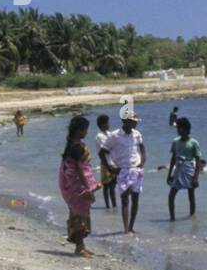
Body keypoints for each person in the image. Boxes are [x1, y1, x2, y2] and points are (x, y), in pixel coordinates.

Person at [59, 115, 100, 256]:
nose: (86, 133)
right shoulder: (76, 147)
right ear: (79, 130)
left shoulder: (71, 144)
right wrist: (88, 186)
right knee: (80, 216)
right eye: (85, 130)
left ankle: (81, 245)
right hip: (78, 186)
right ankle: (79, 247)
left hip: (73, 186)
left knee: (78, 214)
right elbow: (79, 169)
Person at [103, 107, 146, 234]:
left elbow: (142, 147)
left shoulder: (137, 134)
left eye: (136, 121)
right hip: (122, 171)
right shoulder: (114, 135)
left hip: (136, 169)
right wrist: (110, 167)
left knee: (136, 199)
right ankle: (126, 228)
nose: (135, 123)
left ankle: (131, 227)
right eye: (133, 121)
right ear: (125, 121)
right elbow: (103, 151)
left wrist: (143, 161)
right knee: (125, 199)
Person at [167, 117, 203, 220]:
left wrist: (196, 177)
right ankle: (172, 218)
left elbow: (198, 160)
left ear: (187, 129)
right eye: (178, 128)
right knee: (171, 195)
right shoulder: (175, 141)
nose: (179, 130)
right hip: (178, 170)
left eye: (181, 128)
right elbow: (173, 158)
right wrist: (169, 174)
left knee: (191, 195)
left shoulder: (194, 143)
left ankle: (192, 217)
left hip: (189, 170)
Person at [95, 114, 117, 210]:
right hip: (105, 162)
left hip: (113, 162)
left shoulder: (109, 133)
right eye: (107, 123)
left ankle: (114, 205)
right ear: (102, 125)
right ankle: (107, 205)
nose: (108, 124)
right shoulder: (99, 136)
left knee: (113, 185)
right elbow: (104, 149)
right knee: (106, 185)